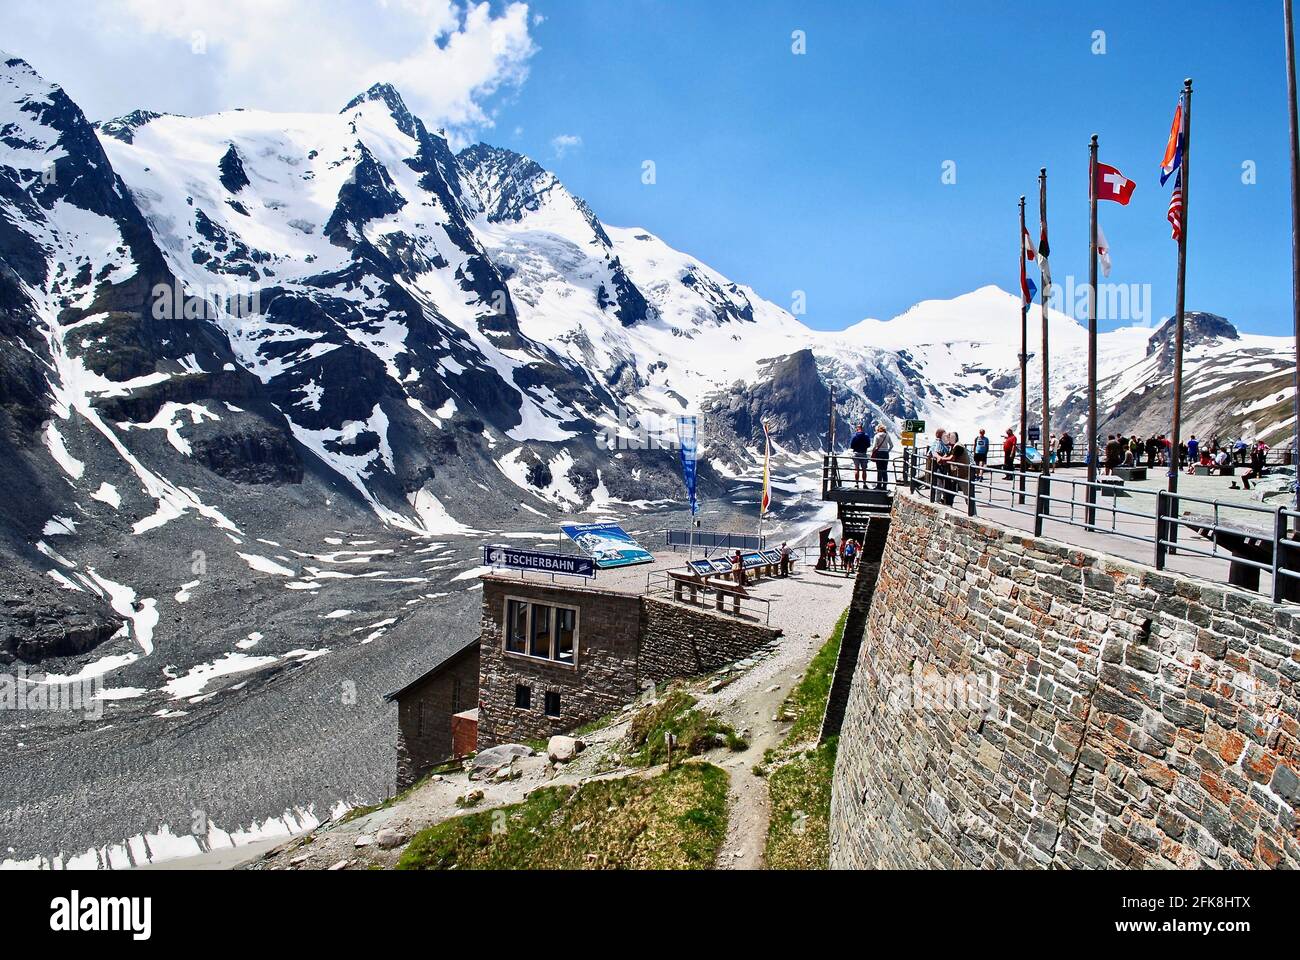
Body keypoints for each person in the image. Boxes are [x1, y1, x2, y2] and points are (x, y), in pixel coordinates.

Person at [870, 424, 893, 490]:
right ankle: (885, 486)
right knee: (884, 470)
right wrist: (887, 451)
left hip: (879, 454)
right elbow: (891, 445)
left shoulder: (876, 436)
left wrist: (873, 452)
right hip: (885, 454)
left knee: (879, 470)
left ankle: (879, 485)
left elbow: (874, 446)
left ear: (878, 429)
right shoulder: (887, 436)